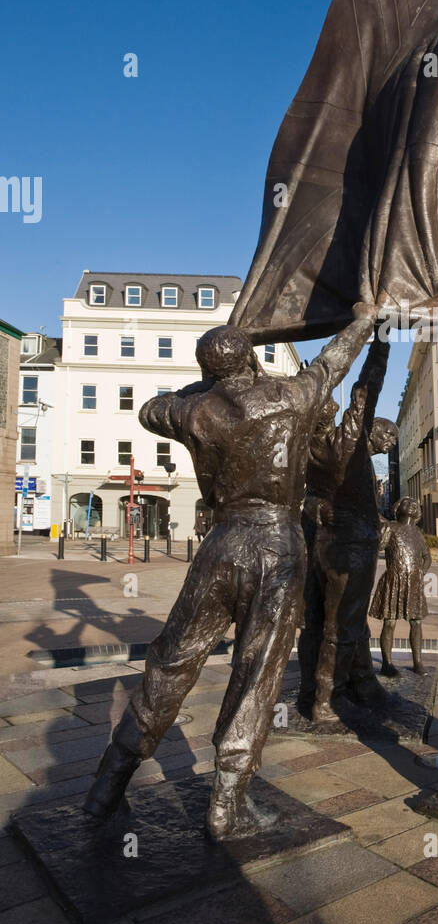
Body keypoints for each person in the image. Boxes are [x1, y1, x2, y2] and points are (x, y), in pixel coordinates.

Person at [84, 308, 377, 838]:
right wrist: (363, 319)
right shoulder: (292, 395)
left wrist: (212, 384)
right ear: (251, 360)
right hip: (276, 544)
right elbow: (336, 360)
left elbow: (151, 411)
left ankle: (108, 783)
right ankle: (227, 801)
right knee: (257, 668)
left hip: (220, 544)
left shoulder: (194, 411)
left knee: (172, 659)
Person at [298, 324, 399, 721]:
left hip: (323, 543)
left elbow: (297, 495)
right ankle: (328, 697)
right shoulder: (349, 441)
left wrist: (311, 508)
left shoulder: (305, 447)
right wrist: (383, 339)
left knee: (333, 619)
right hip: (351, 548)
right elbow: (367, 386)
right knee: (341, 624)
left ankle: (359, 681)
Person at [370, 497, 431, 676]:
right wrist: (383, 529)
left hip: (414, 582)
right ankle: (387, 663)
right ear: (398, 508)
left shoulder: (418, 533)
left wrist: (422, 572)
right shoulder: (392, 527)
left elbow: (427, 557)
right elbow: (380, 546)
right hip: (393, 580)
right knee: (389, 622)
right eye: (406, 502)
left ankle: (418, 662)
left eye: (414, 503)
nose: (411, 504)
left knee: (416, 622)